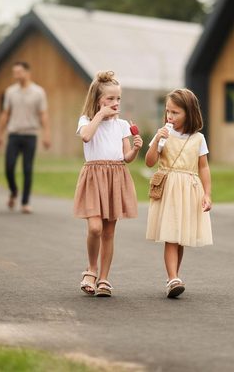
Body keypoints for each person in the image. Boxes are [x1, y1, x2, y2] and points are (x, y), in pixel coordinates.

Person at [73, 71, 143, 297]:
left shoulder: (122, 125)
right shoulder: (86, 120)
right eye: (110, 99)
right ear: (97, 100)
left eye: (118, 99)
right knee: (95, 227)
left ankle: (104, 278)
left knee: (109, 232)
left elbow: (126, 157)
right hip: (94, 176)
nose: (115, 103)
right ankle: (91, 270)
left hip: (116, 176)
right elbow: (86, 136)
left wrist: (135, 149)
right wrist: (100, 115)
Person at [145, 88, 213, 298]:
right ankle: (173, 278)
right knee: (171, 236)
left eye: (175, 112)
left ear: (189, 113)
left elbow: (203, 167)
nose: (169, 117)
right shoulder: (163, 134)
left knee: (180, 236)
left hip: (189, 189)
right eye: (167, 111)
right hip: (169, 189)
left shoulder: (198, 139)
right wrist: (157, 140)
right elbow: (149, 162)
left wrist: (207, 194)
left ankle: (174, 277)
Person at [0, 61, 51, 214]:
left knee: (27, 168)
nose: (16, 75)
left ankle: (25, 202)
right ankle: (14, 191)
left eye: (19, 72)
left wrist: (46, 134)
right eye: (14, 72)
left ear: (28, 72)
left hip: (30, 135)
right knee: (9, 167)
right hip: (13, 134)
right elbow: (5, 113)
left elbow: (43, 114)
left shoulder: (38, 92)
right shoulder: (10, 92)